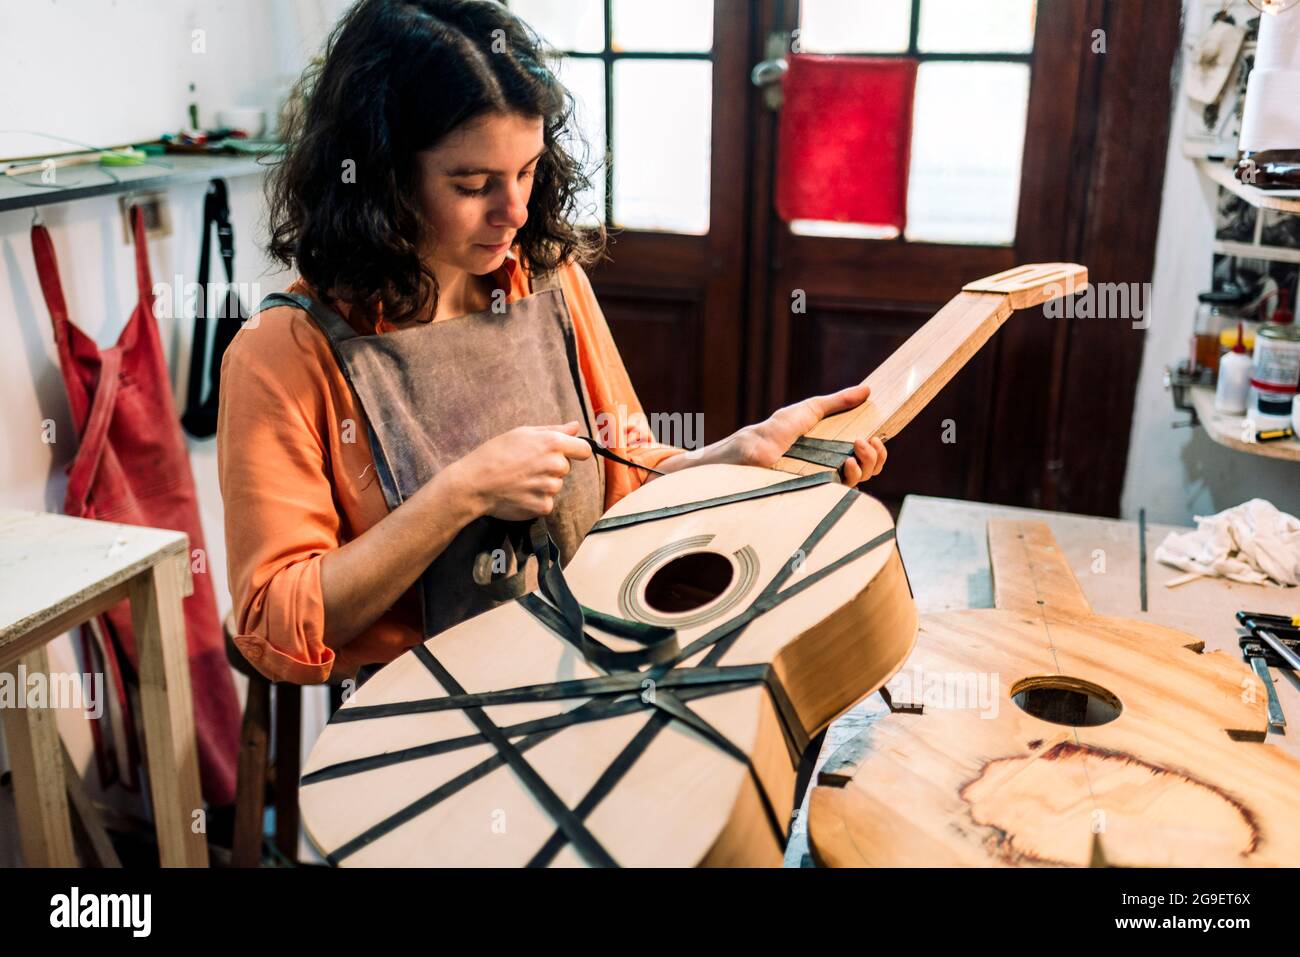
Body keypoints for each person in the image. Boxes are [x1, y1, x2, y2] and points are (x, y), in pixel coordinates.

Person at [216, 0, 886, 687]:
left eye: (528, 171)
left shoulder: (545, 277)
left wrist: (733, 459)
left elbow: (622, 477)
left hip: (584, 662)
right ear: (383, 179)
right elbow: (273, 623)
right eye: (472, 184)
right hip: (419, 716)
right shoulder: (285, 352)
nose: (515, 212)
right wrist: (462, 492)